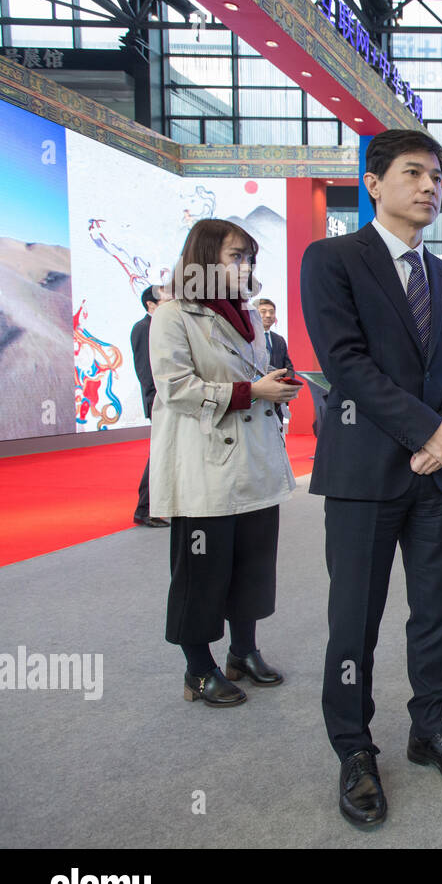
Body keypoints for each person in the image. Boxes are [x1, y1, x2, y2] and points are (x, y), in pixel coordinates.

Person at [300, 128, 442, 831]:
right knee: (355, 621)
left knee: (435, 614)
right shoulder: (333, 260)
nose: (430, 186)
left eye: (438, 177)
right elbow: (345, 361)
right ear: (373, 183)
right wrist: (425, 430)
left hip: (439, 475)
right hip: (362, 475)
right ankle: (354, 750)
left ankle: (430, 727)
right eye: (414, 173)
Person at [149, 218, 300, 708]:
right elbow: (175, 388)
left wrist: (273, 383)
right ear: (206, 257)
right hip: (205, 464)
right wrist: (251, 391)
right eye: (237, 256)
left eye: (250, 257)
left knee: (252, 565)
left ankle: (243, 652)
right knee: (202, 572)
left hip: (255, 460)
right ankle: (198, 669)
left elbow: (251, 373)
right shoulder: (173, 314)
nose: (246, 265)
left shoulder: (250, 315)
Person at [131, 283, 170, 527]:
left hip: (170, 401)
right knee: (159, 455)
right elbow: (147, 372)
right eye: (167, 302)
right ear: (151, 305)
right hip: (160, 402)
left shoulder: (162, 328)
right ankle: (145, 509)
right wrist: (157, 403)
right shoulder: (143, 328)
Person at [255, 298, 294, 422]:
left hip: (278, 397)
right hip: (257, 397)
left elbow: (288, 367)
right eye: (263, 311)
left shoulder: (279, 340)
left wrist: (285, 384)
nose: (268, 315)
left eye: (272, 312)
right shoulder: (248, 339)